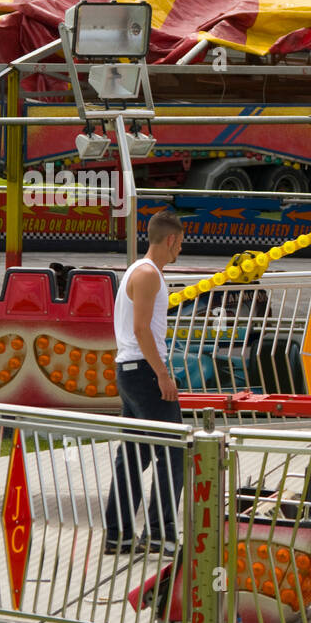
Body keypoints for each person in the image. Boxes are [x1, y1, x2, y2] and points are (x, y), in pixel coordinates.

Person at [102, 210, 185, 555]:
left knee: (135, 453)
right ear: (170, 240)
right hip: (144, 371)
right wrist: (162, 374)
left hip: (129, 369)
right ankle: (160, 532)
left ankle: (118, 533)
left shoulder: (136, 269)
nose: (180, 249)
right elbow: (140, 329)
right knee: (173, 450)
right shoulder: (150, 274)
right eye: (180, 243)